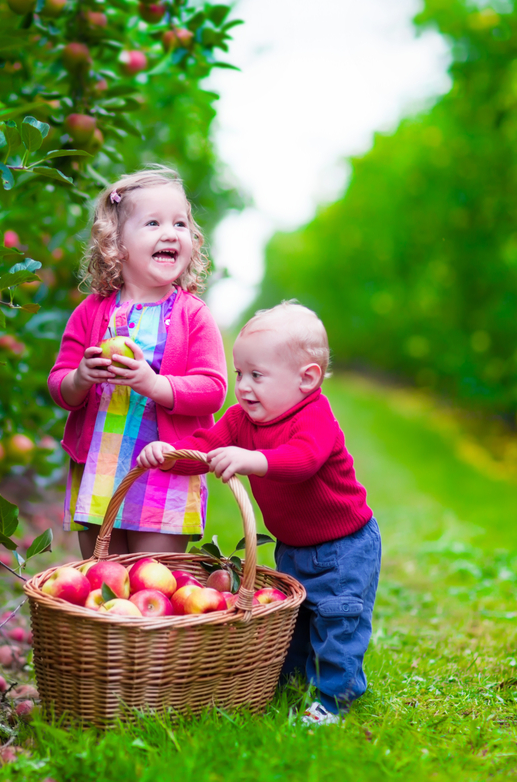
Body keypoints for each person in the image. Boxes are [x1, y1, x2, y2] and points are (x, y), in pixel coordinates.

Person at [137, 301, 380, 726]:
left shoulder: (315, 415)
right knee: (295, 622)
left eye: (258, 376)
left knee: (337, 621)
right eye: (240, 374)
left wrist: (252, 460)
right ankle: (291, 683)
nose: (244, 387)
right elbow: (204, 448)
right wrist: (170, 455)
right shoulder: (240, 419)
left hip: (344, 547)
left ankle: (334, 699)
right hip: (294, 547)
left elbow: (301, 460)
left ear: (307, 380)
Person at [48, 166, 227, 560]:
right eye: (153, 222)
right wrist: (80, 378)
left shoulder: (192, 315)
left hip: (164, 471)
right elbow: (59, 384)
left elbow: (213, 389)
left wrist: (154, 384)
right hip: (100, 466)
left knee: (155, 579)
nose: (170, 232)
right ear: (116, 243)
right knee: (102, 578)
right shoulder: (91, 312)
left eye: (180, 223)